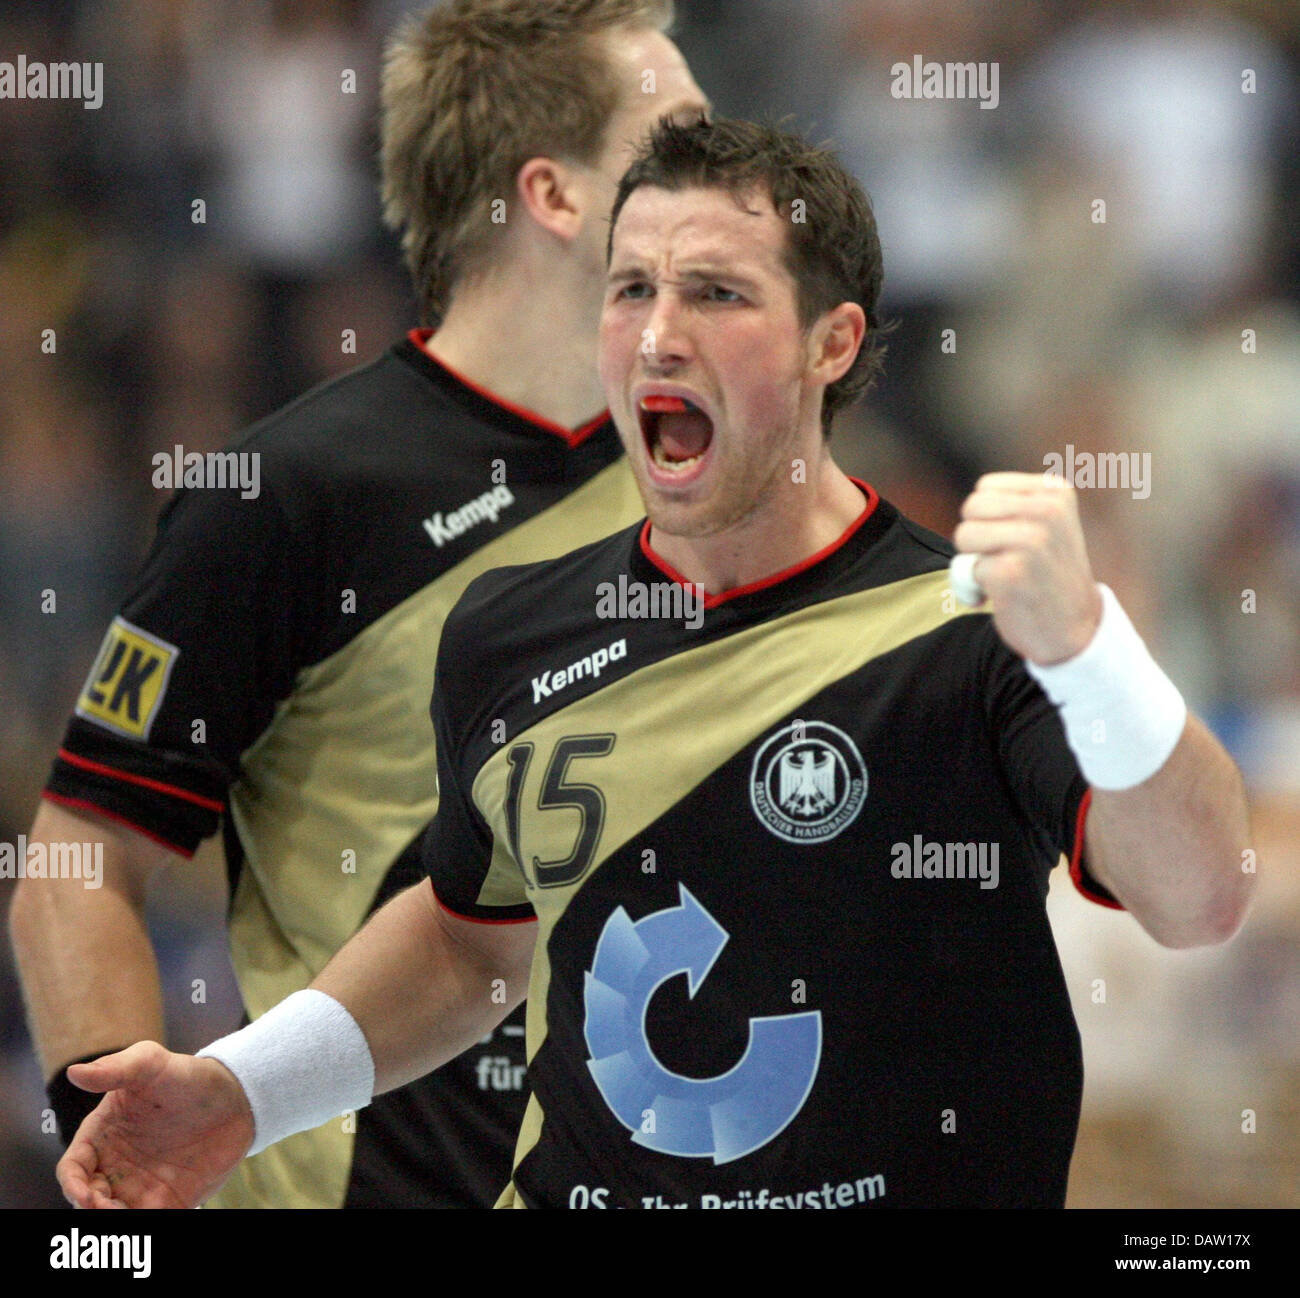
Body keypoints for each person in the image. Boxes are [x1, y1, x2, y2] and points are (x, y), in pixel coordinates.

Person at [56, 116, 1253, 1211]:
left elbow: (1200, 896)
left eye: (717, 292)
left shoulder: (966, 626)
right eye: (631, 288)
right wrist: (246, 1088)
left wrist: (1091, 649)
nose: (659, 333)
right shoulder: (506, 628)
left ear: (830, 343)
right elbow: (475, 936)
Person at [13, 0, 709, 1209]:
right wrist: (120, 1160)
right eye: (682, 144)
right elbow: (82, 853)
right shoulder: (296, 492)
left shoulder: (721, 470)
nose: (732, 183)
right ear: (551, 196)